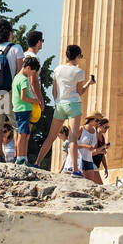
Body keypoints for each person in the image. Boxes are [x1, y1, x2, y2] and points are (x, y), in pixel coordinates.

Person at [33, 45, 87, 173]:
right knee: (73, 139)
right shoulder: (79, 72)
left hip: (60, 104)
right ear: (78, 56)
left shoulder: (57, 69)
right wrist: (88, 85)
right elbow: (79, 91)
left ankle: (37, 162)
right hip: (73, 104)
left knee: (51, 136)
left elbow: (54, 90)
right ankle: (75, 169)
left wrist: (57, 101)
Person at [0, 19, 24, 162]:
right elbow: (20, 72)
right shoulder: (16, 48)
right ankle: (17, 155)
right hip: (11, 89)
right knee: (16, 123)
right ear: (9, 32)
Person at [11, 55, 40, 165]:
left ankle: (23, 156)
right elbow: (23, 97)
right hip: (23, 109)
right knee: (22, 134)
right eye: (32, 72)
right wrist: (35, 101)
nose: (32, 75)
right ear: (28, 68)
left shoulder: (16, 77)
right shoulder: (23, 79)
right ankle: (20, 157)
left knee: (24, 133)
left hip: (19, 109)